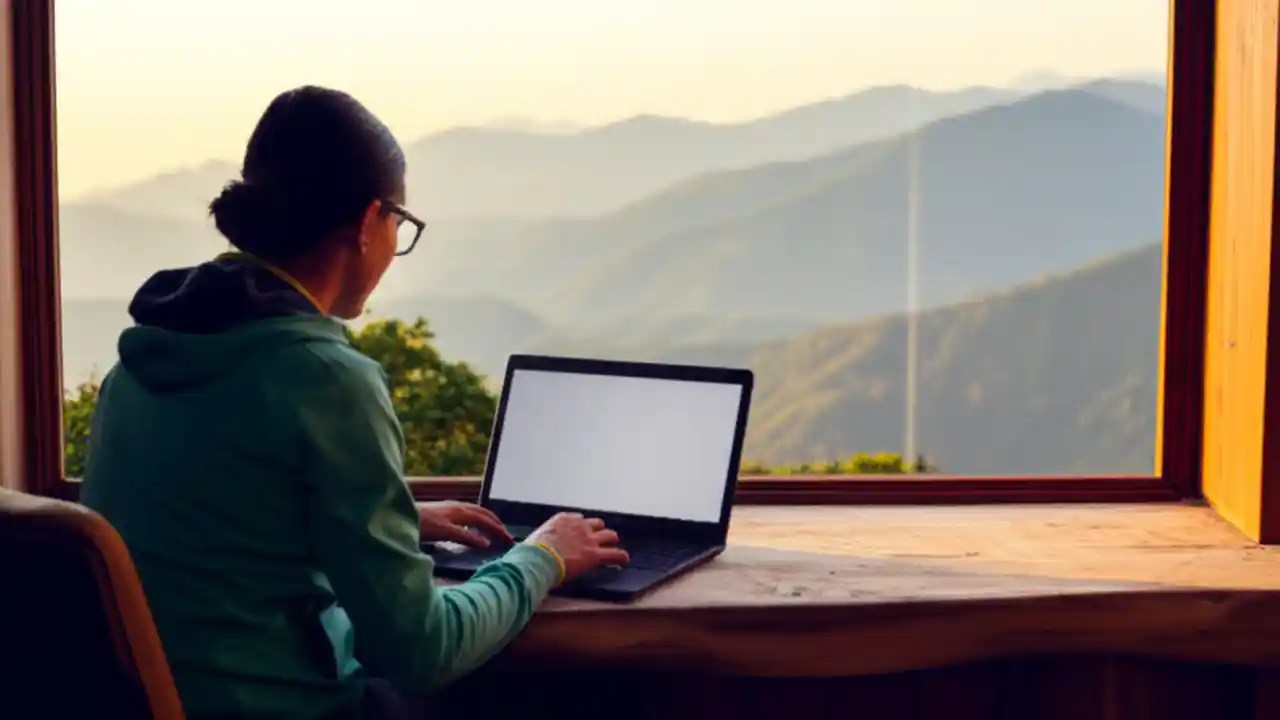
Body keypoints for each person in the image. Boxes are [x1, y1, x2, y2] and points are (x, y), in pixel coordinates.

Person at [80, 86, 629, 720]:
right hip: (292, 706)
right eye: (401, 222)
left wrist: (386, 520)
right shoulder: (324, 378)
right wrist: (543, 557)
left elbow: (222, 519)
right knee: (584, 687)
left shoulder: (148, 353)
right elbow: (423, 650)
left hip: (160, 698)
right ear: (370, 222)